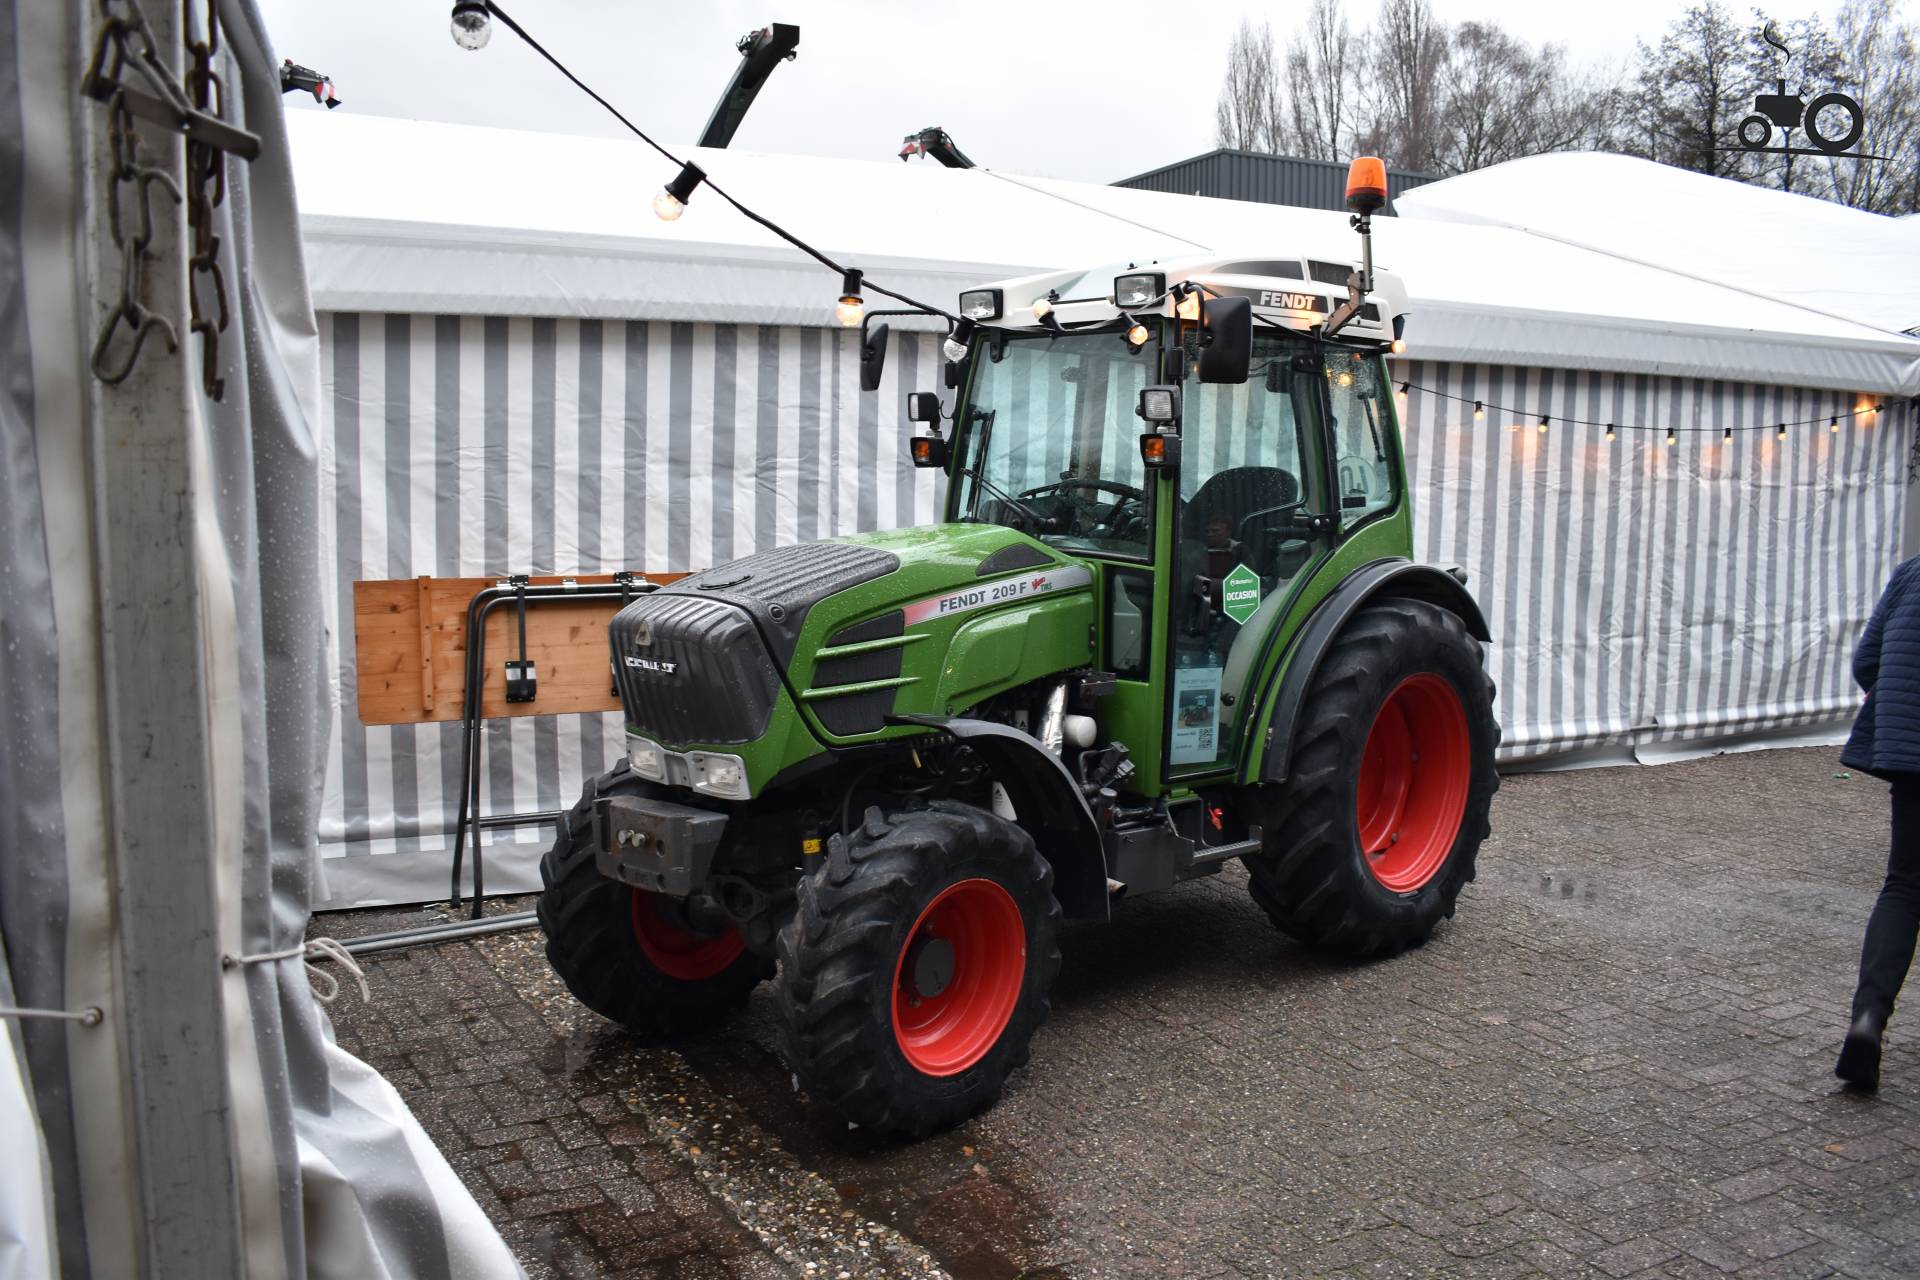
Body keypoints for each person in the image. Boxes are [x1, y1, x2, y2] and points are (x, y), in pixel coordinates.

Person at [1837, 553, 1920, 1092]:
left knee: (1906, 886)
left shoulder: (1913, 572)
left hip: (1912, 754)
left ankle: (1868, 1018)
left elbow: (1868, 659)